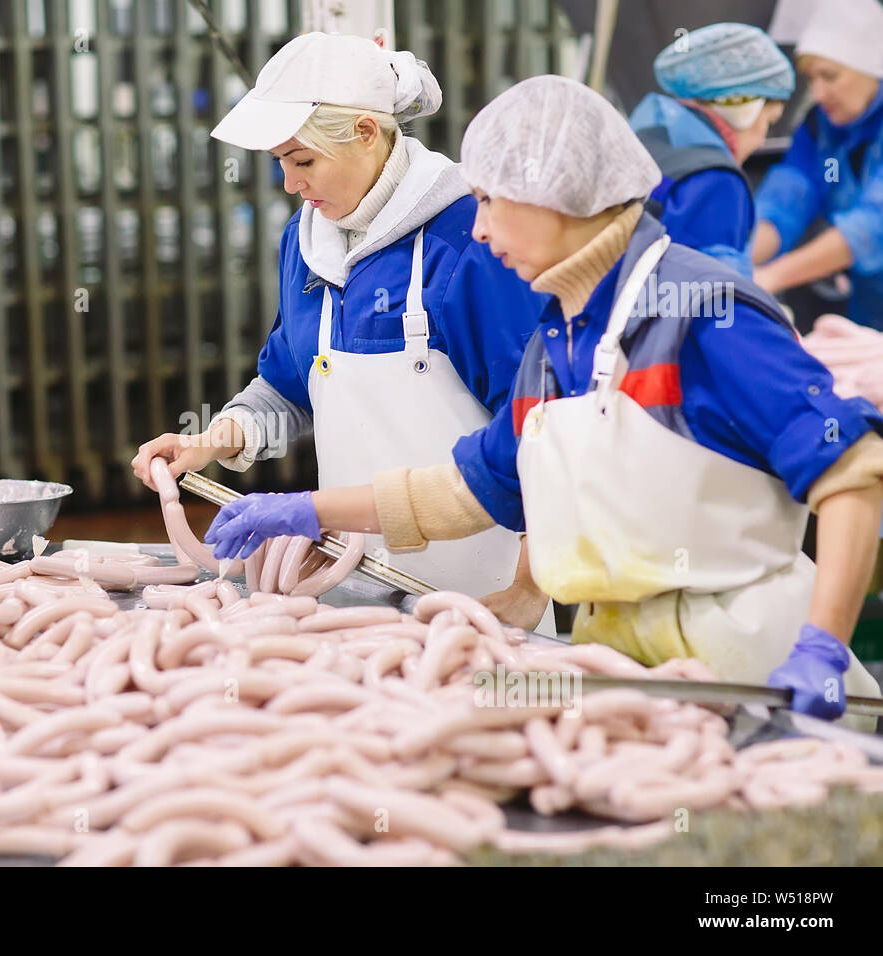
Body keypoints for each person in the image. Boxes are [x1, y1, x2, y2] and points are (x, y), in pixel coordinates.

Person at [206, 74, 883, 728]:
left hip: (763, 675)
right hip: (622, 674)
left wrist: (822, 643)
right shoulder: (559, 337)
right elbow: (474, 487)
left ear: (559, 199)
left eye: (492, 203)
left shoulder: (702, 313)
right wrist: (302, 509)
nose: (475, 229)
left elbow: (851, 471)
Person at [130, 32, 554, 631]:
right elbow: (289, 387)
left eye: (302, 161)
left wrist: (530, 587)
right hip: (352, 587)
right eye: (280, 163)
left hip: (481, 592)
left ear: (365, 132)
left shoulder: (473, 241)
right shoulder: (306, 244)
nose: (289, 185)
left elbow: (541, 430)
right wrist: (210, 443)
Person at [753, 0, 883, 329]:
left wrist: (771, 276)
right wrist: (737, 260)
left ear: (872, 68)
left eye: (830, 76)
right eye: (811, 78)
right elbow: (789, 198)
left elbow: (872, 225)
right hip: (866, 305)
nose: (818, 93)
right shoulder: (820, 126)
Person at [628, 22, 794, 276]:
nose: (761, 141)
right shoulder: (716, 182)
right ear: (745, 109)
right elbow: (720, 299)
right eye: (768, 122)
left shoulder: (641, 142)